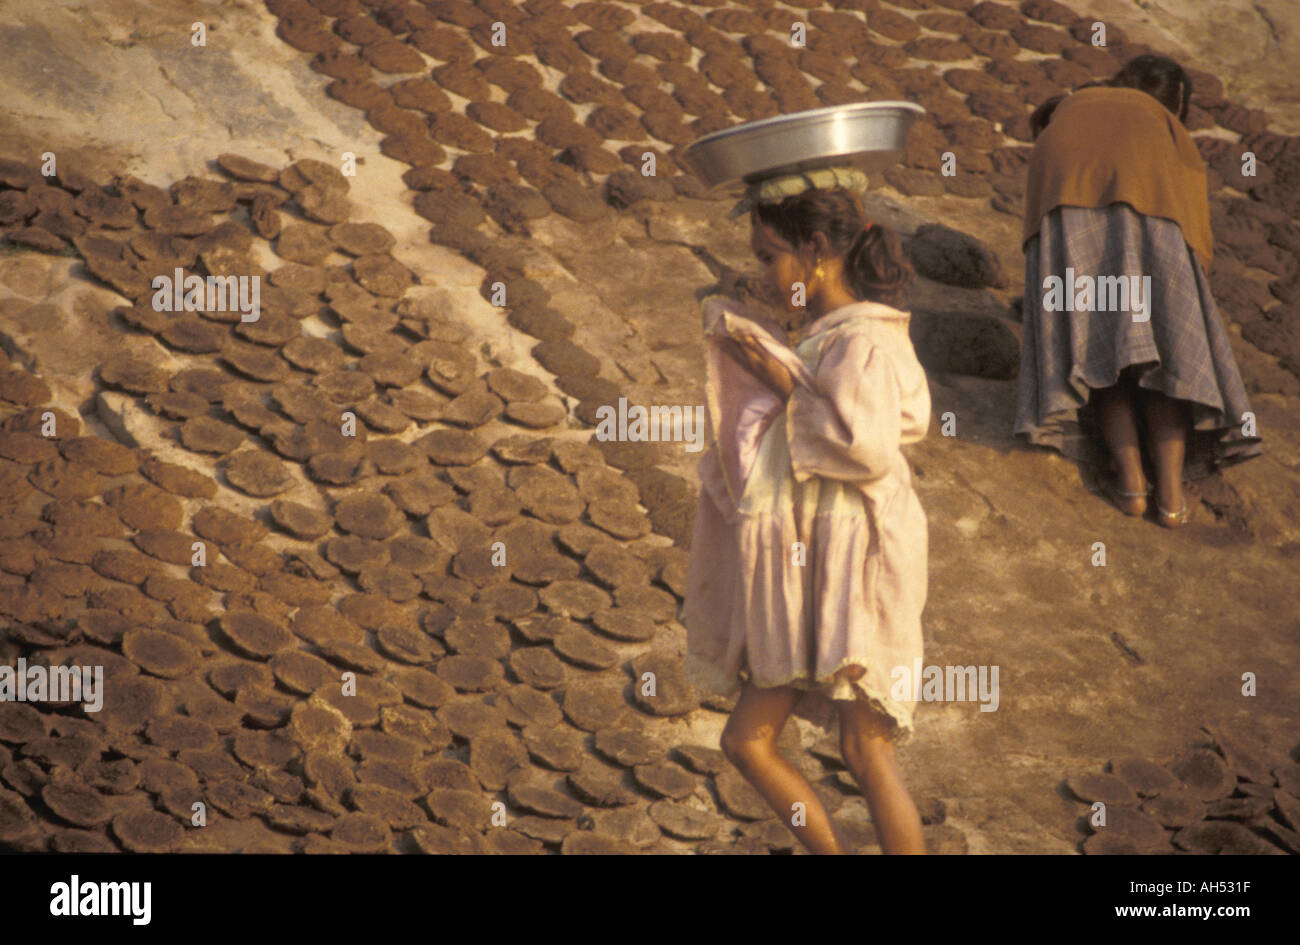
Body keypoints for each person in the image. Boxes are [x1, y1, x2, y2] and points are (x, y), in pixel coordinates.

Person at [682, 167, 930, 854]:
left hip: (860, 564)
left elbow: (867, 446)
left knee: (861, 745)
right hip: (818, 566)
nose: (761, 271)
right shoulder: (831, 333)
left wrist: (786, 382)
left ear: (817, 248)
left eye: (769, 255)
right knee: (757, 741)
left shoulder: (865, 342)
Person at [1017, 54, 1261, 527]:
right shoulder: (1161, 121)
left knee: (1101, 357)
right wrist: (1183, 292)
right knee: (1164, 359)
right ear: (1174, 102)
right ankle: (1171, 498)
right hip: (1154, 227)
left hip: (1071, 224)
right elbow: (1192, 217)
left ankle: (1131, 485)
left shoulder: (1072, 104)